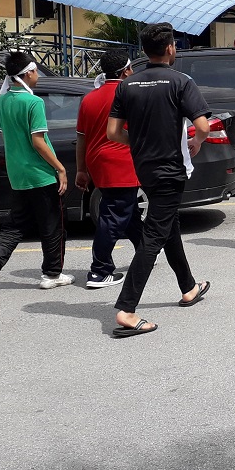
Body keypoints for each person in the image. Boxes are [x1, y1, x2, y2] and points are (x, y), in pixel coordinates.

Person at [104, 23, 212, 338]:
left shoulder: (127, 84)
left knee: (168, 225)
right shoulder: (181, 82)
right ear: (170, 48)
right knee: (154, 234)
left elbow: (113, 132)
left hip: (145, 169)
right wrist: (198, 142)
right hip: (170, 169)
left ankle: (188, 286)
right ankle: (126, 308)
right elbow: (202, 126)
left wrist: (137, 144)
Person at [0, 51, 70, 300]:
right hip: (40, 174)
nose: (37, 76)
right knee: (52, 225)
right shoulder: (33, 102)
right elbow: (38, 141)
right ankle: (52, 274)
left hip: (17, 175)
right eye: (36, 71)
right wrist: (60, 167)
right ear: (27, 73)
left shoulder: (3, 101)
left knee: (15, 225)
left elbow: (8, 136)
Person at [74, 50, 143, 290]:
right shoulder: (129, 94)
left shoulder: (89, 98)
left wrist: (81, 169)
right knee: (113, 216)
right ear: (125, 71)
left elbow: (81, 138)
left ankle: (146, 252)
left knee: (128, 210)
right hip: (122, 162)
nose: (133, 73)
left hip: (97, 164)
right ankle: (99, 271)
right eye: (131, 68)